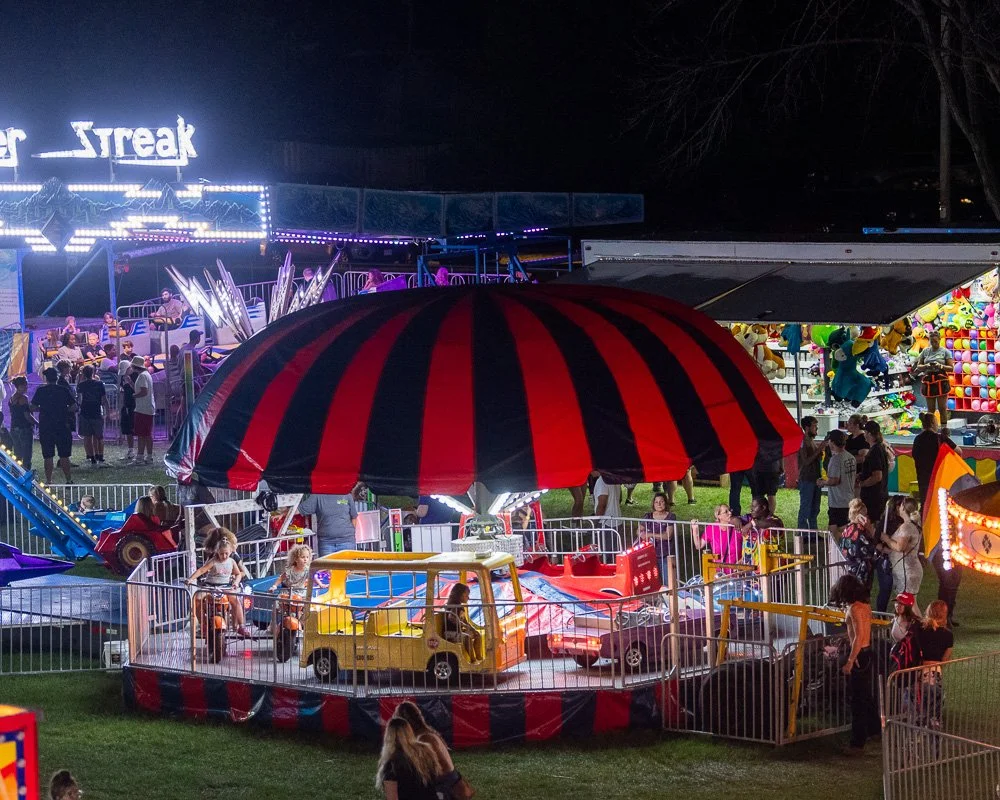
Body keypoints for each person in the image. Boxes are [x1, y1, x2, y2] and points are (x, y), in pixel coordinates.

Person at [829, 574, 880, 751]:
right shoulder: (865, 606)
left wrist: (851, 659)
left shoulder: (853, 609)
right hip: (867, 651)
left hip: (860, 654)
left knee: (857, 699)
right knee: (866, 695)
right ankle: (875, 730)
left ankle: (857, 742)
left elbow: (858, 636)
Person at [186, 526, 252, 637]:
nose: (224, 556)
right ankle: (203, 624)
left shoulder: (232, 559)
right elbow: (203, 569)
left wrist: (235, 581)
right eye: (221, 553)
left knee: (236, 601)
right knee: (197, 599)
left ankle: (241, 626)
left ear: (230, 550)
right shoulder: (213, 558)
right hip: (211, 585)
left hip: (226, 585)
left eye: (226, 553)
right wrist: (191, 578)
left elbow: (240, 572)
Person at [819, 429, 857, 581]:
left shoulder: (836, 460)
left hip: (837, 501)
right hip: (848, 498)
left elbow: (835, 480)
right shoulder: (851, 457)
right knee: (843, 529)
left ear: (832, 443)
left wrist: (822, 482)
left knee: (834, 532)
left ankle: (836, 559)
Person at [375, 717, 443, 800]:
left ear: (388, 736)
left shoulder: (392, 765)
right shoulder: (426, 752)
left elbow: (392, 798)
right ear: (409, 732)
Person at [30, 367, 76, 483]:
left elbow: (33, 407)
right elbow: (74, 407)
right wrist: (63, 410)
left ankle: (49, 481)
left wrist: (43, 409)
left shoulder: (41, 391)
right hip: (62, 426)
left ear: (46, 378)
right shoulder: (63, 390)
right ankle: (69, 480)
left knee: (48, 455)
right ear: (56, 378)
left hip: (46, 426)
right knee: (64, 455)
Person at [880, 496, 923, 611]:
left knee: (910, 605)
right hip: (910, 568)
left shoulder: (906, 527)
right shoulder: (913, 526)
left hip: (907, 570)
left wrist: (887, 539)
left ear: (903, 508)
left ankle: (919, 627)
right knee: (909, 604)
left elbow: (900, 547)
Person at [911, 412, 961, 507]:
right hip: (939, 478)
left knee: (926, 505)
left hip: (923, 479)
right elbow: (958, 451)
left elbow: (914, 455)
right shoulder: (940, 438)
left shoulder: (917, 439)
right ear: (933, 423)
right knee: (940, 506)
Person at [918, 600, 954, 732]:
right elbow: (945, 658)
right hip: (935, 671)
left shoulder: (920, 630)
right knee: (936, 698)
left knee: (919, 698)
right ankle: (934, 722)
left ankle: (919, 722)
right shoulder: (948, 635)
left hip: (917, 669)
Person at [912, 330, 954, 424]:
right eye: (932, 342)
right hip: (928, 380)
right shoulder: (925, 351)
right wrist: (926, 366)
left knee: (942, 408)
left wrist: (941, 366)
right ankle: (930, 430)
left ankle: (944, 429)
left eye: (936, 341)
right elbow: (919, 366)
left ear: (939, 340)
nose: (934, 344)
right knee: (930, 409)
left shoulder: (945, 352)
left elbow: (951, 368)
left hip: (941, 380)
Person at [839, 498, 878, 591]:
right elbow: (870, 550)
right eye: (866, 515)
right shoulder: (861, 531)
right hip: (860, 570)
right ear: (861, 517)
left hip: (848, 567)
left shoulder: (846, 529)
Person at [691, 503, 742, 571]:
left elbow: (748, 548)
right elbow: (698, 545)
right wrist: (695, 529)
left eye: (730, 510)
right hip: (719, 573)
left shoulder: (737, 527)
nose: (730, 513)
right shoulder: (711, 528)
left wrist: (741, 562)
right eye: (726, 512)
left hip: (736, 572)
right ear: (719, 516)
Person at [75, 365, 109, 467]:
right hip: (97, 412)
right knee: (99, 436)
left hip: (85, 413)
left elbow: (79, 399)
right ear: (93, 373)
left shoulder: (81, 385)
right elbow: (104, 399)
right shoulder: (99, 384)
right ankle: (101, 456)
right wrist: (108, 411)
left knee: (87, 436)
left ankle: (92, 457)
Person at [441, 582, 482, 661]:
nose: (468, 598)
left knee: (477, 635)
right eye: (466, 595)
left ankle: (479, 657)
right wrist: (463, 625)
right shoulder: (454, 605)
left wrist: (473, 629)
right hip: (450, 632)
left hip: (458, 630)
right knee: (467, 637)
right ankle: (473, 660)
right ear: (459, 595)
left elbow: (465, 621)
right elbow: (451, 617)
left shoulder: (460, 606)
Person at [858, 421, 889, 521]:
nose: (864, 435)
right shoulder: (880, 448)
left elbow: (877, 476)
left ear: (869, 434)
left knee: (871, 523)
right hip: (879, 493)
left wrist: (863, 484)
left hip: (873, 497)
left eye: (865, 433)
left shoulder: (874, 452)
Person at [739, 497, 783, 566]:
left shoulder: (775, 520)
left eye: (754, 506)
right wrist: (735, 520)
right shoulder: (749, 517)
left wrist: (753, 523)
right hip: (750, 568)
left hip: (770, 568)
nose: (751, 509)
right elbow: (732, 519)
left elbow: (774, 524)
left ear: (763, 507)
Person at [797, 416, 823, 530]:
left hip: (816, 479)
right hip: (807, 479)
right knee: (805, 508)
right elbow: (806, 461)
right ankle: (803, 533)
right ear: (807, 428)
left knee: (815, 509)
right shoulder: (802, 441)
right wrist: (819, 449)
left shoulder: (811, 441)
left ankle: (813, 533)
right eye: (814, 426)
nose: (816, 428)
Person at [639, 492, 676, 565]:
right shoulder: (648, 516)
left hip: (666, 554)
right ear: (653, 504)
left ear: (665, 502)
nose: (659, 504)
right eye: (656, 502)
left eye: (661, 501)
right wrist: (642, 535)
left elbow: (668, 536)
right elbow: (639, 530)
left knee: (667, 576)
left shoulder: (671, 516)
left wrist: (649, 534)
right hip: (649, 553)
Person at [131, 355, 155, 464]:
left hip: (142, 408)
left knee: (141, 434)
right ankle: (149, 456)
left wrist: (134, 396)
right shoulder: (147, 375)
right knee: (147, 434)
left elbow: (144, 391)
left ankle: (139, 456)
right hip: (148, 408)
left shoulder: (142, 376)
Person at [9, 375, 35, 470]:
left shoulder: (12, 398)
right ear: (19, 386)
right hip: (24, 428)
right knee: (27, 454)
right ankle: (26, 473)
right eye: (25, 385)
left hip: (14, 428)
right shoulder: (24, 398)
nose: (26, 387)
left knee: (17, 454)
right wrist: (36, 423)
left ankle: (15, 473)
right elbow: (27, 416)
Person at [119, 361, 136, 463]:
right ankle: (130, 450)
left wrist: (130, 383)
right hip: (126, 404)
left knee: (133, 428)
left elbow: (137, 390)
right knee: (127, 428)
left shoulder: (135, 376)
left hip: (134, 405)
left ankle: (139, 452)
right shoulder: (123, 378)